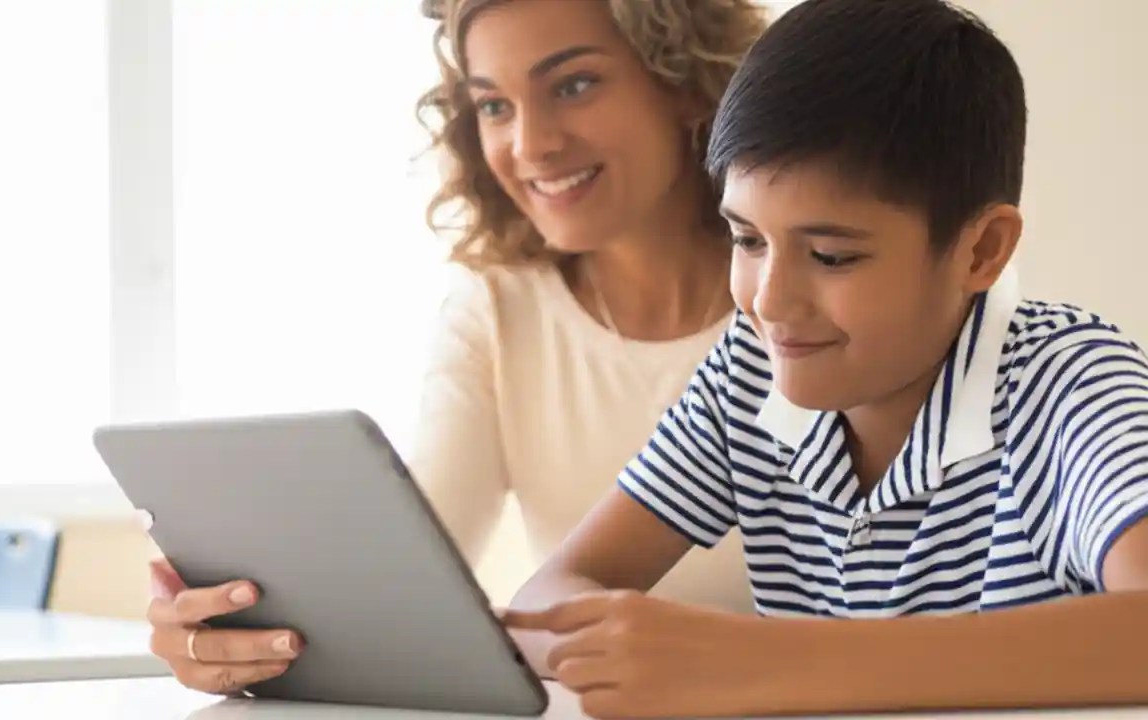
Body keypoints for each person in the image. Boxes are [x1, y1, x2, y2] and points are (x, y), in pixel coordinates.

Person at [496, 0, 1148, 717]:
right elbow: (546, 599)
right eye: (746, 241)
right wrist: (622, 642)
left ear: (982, 250)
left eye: (832, 256)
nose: (769, 302)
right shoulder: (749, 374)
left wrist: (757, 663)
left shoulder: (1072, 381)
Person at [144, 0, 768, 696]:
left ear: (684, 82)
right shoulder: (499, 311)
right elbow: (410, 573)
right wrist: (245, 634)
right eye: (495, 106)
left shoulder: (812, 304)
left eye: (573, 86)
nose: (531, 146)